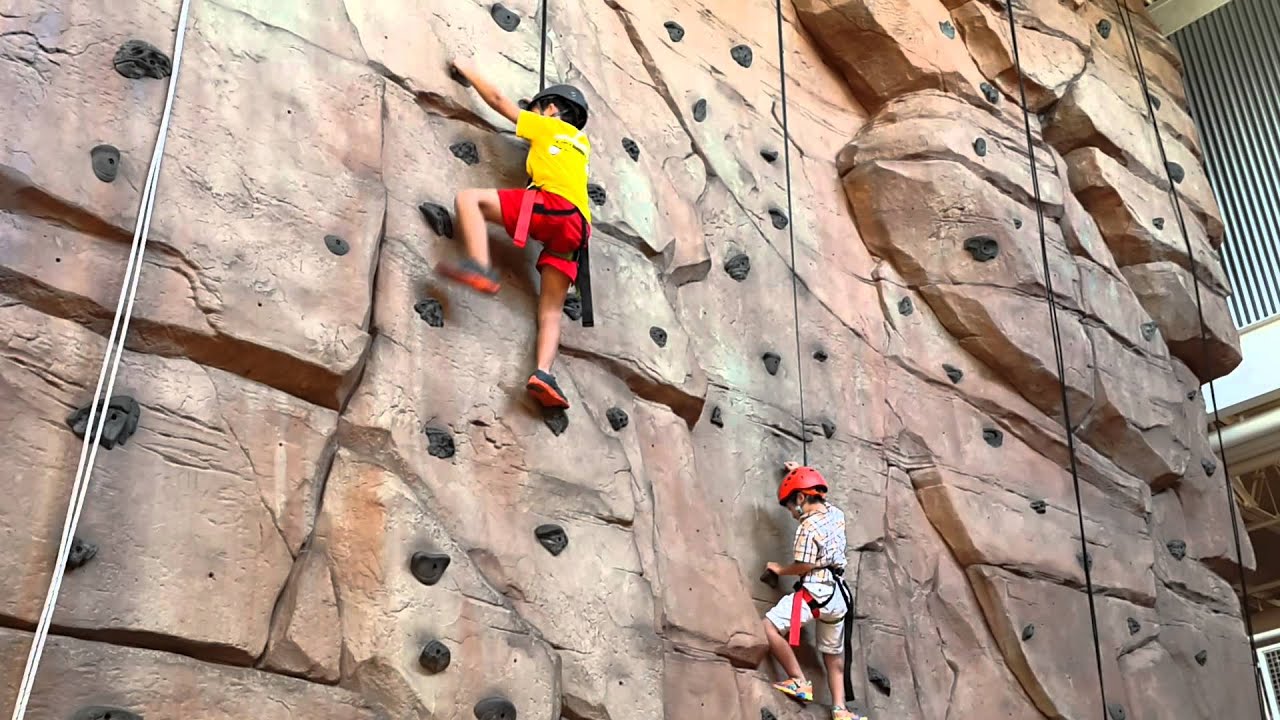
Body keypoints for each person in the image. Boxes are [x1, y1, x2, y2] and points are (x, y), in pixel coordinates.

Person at [439, 58, 593, 410]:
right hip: (577, 232)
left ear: (551, 110)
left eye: (538, 110)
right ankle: (543, 374)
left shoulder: (549, 127)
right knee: (551, 310)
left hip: (554, 208)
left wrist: (466, 68)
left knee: (469, 201)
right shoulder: (581, 147)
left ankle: (479, 266)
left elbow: (497, 100)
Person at [762, 462, 864, 720]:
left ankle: (798, 680)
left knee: (769, 627)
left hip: (815, 591)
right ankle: (840, 709)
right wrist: (801, 471)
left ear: (800, 498)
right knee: (833, 655)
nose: (792, 514)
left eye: (790, 507)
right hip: (838, 598)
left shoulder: (806, 529)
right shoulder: (836, 514)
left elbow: (804, 565)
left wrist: (779, 569)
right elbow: (820, 495)